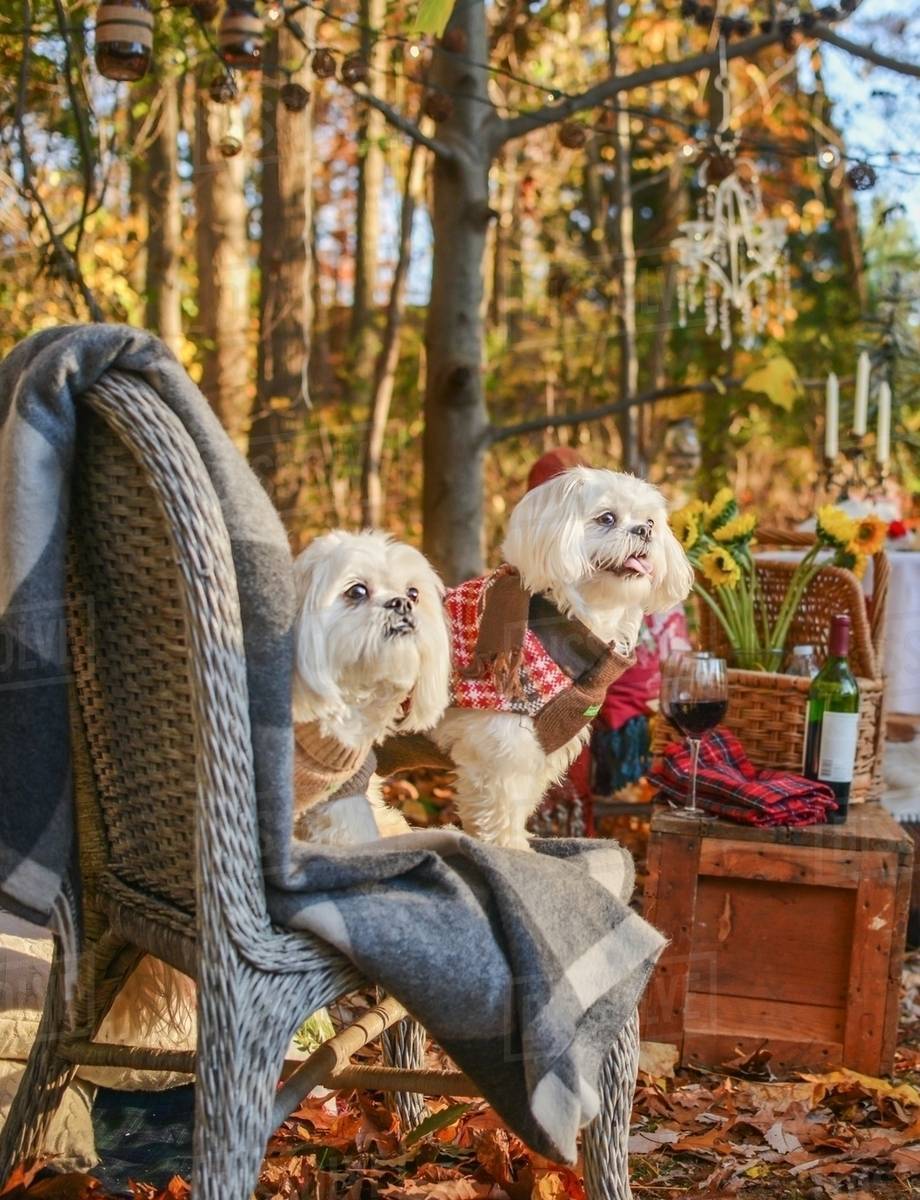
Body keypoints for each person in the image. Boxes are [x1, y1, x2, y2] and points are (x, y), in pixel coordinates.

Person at [524, 448, 691, 836]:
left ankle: (560, 828)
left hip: (625, 714)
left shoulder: (632, 581)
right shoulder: (528, 592)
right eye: (606, 519)